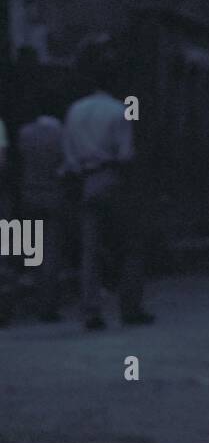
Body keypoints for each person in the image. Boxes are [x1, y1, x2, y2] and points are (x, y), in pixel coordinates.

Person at [63, 35, 153, 330]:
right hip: (113, 180)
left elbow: (69, 155)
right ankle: (130, 306)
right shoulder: (118, 111)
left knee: (90, 249)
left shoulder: (75, 110)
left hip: (85, 182)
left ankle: (91, 310)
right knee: (130, 245)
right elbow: (126, 154)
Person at [18, 105, 65, 320]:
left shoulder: (25, 132)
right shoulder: (59, 133)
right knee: (51, 252)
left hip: (29, 193)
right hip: (53, 194)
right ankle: (49, 304)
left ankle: (37, 299)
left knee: (33, 252)